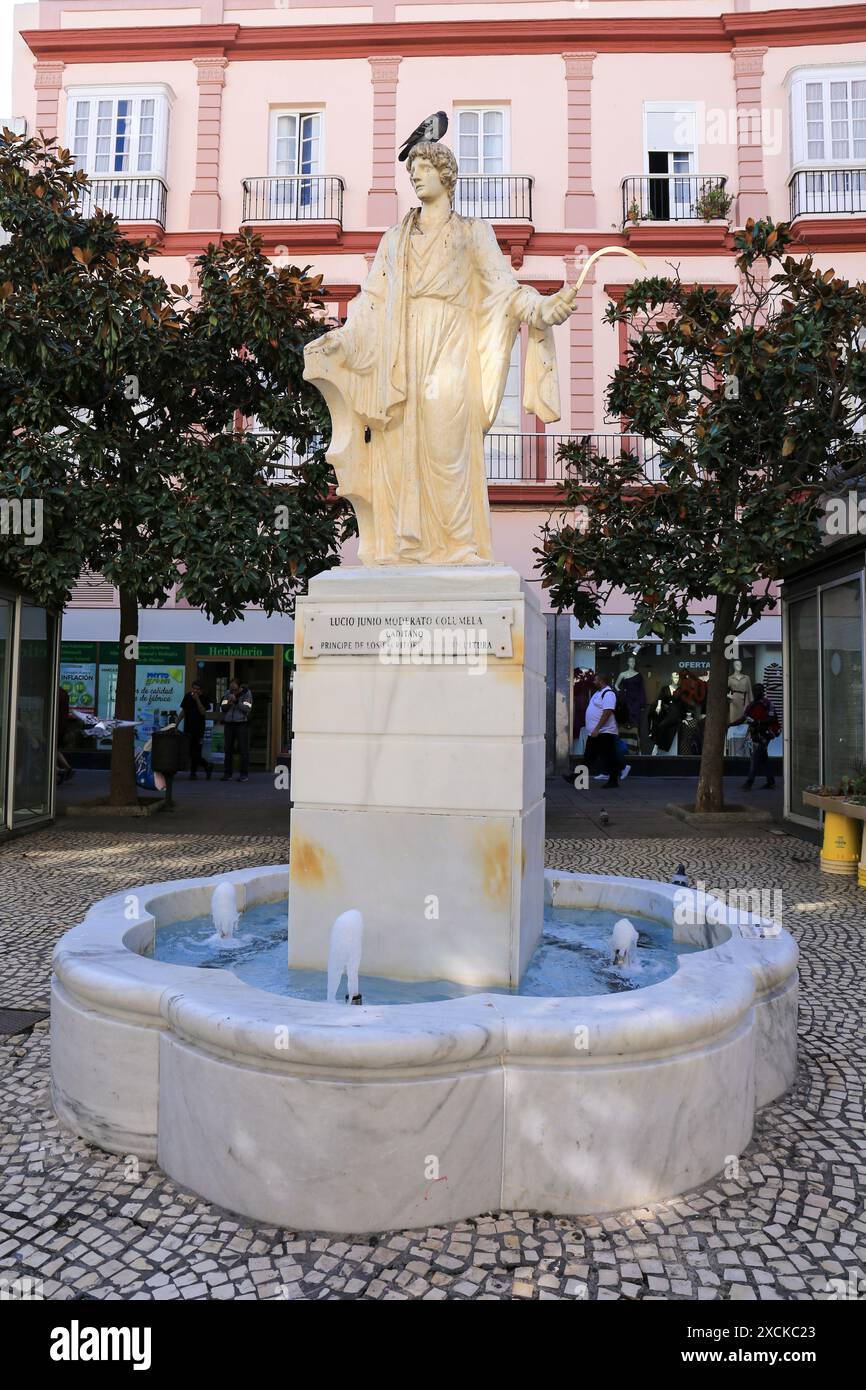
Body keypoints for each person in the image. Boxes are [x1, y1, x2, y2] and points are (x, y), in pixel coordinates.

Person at [584, 672, 622, 789]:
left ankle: (613, 780)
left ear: (601, 681)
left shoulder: (609, 694)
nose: (594, 682)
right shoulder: (598, 693)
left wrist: (597, 728)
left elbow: (607, 712)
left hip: (605, 732)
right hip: (596, 732)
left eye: (595, 680)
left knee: (608, 757)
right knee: (589, 756)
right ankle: (576, 776)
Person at [741, 684, 779, 790]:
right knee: (764, 758)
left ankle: (749, 782)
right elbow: (744, 718)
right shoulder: (751, 705)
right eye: (755, 690)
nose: (757, 692)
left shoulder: (768, 703)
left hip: (766, 734)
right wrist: (730, 725)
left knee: (755, 757)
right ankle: (771, 781)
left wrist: (758, 722)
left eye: (759, 690)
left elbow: (773, 718)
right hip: (757, 734)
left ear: (763, 691)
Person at [179, 679, 213, 780]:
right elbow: (183, 711)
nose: (195, 691)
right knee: (189, 751)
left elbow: (203, 712)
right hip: (188, 727)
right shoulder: (188, 696)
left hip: (198, 729)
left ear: (200, 690)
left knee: (196, 751)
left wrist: (197, 699)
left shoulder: (204, 698)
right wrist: (176, 724)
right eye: (193, 688)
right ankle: (207, 765)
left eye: (197, 689)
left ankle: (194, 772)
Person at [220, 679, 253, 782]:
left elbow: (247, 709)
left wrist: (237, 701)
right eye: (231, 689)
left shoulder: (247, 694)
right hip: (229, 723)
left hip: (241, 723)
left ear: (239, 688)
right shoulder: (227, 693)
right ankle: (227, 773)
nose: (232, 692)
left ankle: (244, 774)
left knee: (243, 749)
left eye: (234, 689)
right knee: (228, 749)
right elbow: (223, 707)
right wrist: (229, 703)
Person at [56, 683, 74, 784]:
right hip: (62, 726)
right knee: (55, 749)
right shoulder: (63, 693)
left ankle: (59, 770)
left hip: (56, 726)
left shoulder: (56, 693)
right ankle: (66, 768)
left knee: (49, 750)